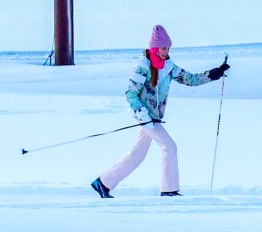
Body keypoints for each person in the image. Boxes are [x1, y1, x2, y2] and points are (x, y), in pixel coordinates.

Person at [90, 25, 228, 199]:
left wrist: (215, 73)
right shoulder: (143, 66)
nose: (166, 51)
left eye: (168, 48)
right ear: (154, 47)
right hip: (145, 117)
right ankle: (169, 190)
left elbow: (190, 80)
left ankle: (103, 183)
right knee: (169, 146)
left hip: (152, 118)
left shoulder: (168, 66)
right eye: (163, 48)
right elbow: (131, 93)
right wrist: (142, 115)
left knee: (137, 154)